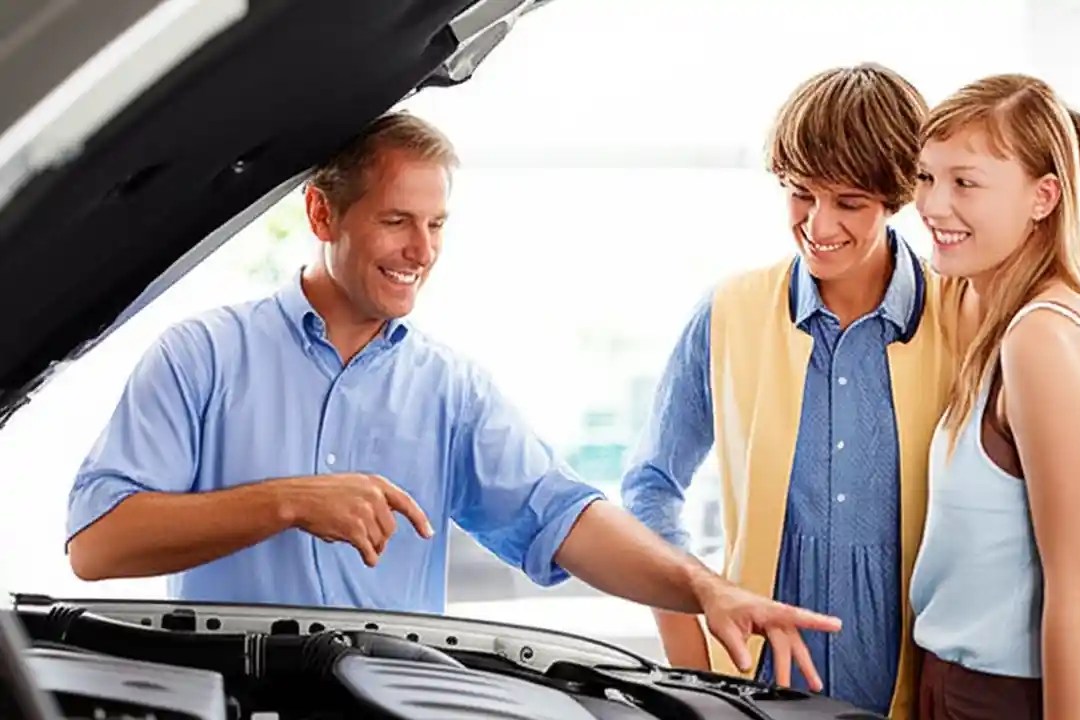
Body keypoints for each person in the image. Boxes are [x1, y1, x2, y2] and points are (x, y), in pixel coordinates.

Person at [63, 111, 842, 687]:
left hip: (388, 707)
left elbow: (561, 516)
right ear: (321, 214)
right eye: (398, 221)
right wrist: (287, 503)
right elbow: (96, 544)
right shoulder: (201, 357)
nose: (423, 251)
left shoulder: (450, 389)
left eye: (437, 224)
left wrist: (705, 590)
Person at [621, 64, 953, 718]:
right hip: (749, 697)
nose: (818, 224)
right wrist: (693, 664)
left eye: (849, 202)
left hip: (913, 697)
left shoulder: (964, 321)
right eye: (801, 193)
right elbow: (650, 487)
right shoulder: (727, 314)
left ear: (899, 197)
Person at [909, 74, 1080, 719]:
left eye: (965, 182)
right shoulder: (982, 303)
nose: (932, 205)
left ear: (1044, 197)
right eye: (926, 178)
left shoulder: (1042, 339)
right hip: (950, 684)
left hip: (996, 698)